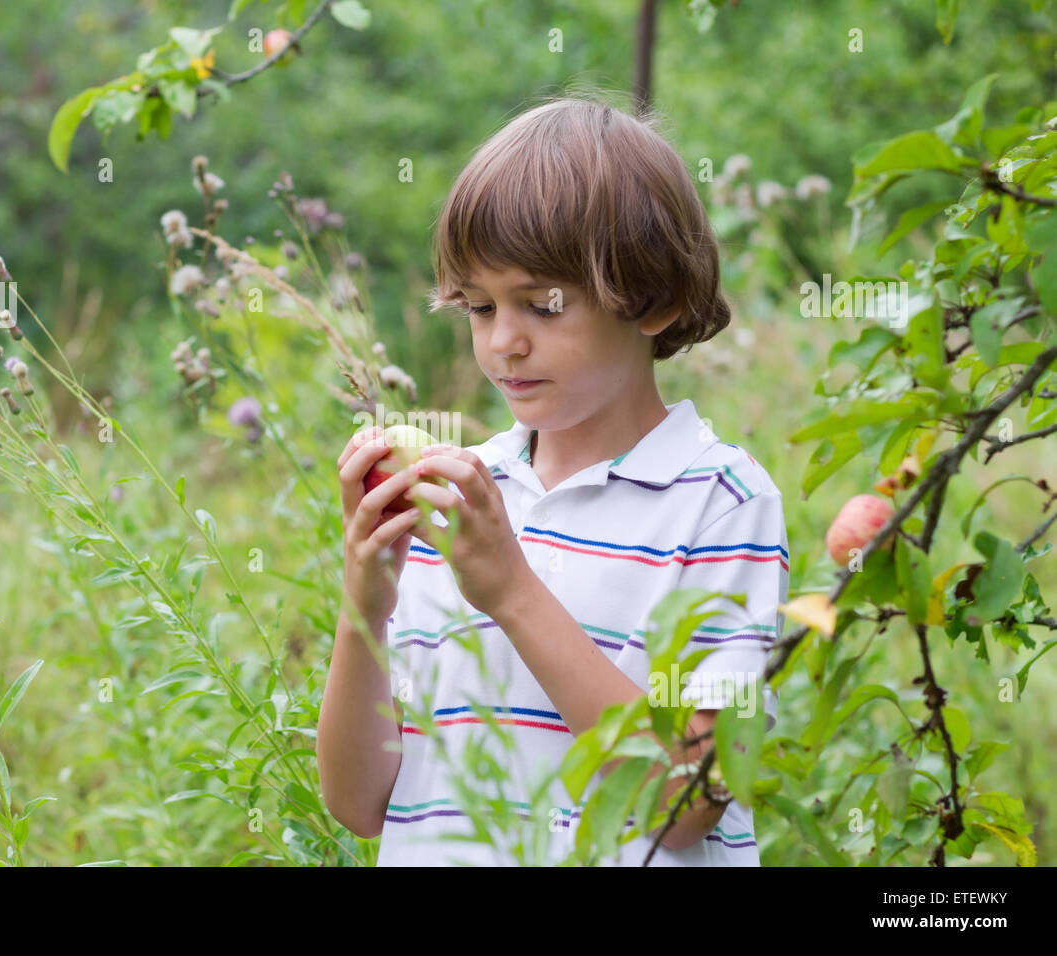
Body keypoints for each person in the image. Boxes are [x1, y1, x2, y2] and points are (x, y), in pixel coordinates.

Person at [318, 88, 790, 866]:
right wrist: (365, 599)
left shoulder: (720, 502)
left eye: (542, 305)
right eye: (477, 308)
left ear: (655, 300)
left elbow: (688, 801)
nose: (504, 342)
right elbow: (360, 802)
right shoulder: (462, 499)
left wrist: (511, 592)